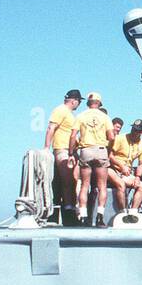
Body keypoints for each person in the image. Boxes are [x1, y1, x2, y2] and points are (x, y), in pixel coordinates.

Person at [69, 91, 115, 226]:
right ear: (99, 103)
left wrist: (71, 153)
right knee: (102, 186)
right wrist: (108, 149)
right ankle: (100, 216)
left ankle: (83, 217)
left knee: (84, 185)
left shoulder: (81, 116)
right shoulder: (105, 117)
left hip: (86, 151)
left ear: (88, 103)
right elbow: (112, 137)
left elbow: (73, 136)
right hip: (101, 150)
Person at [44, 89, 82, 224]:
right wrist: (46, 149)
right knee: (67, 182)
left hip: (70, 151)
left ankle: (67, 212)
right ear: (74, 101)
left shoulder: (69, 114)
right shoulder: (60, 110)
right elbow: (51, 128)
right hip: (63, 150)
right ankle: (68, 215)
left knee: (70, 182)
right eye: (78, 102)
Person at [108, 118, 142, 213]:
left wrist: (138, 177)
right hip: (112, 169)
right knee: (121, 184)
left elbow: (141, 164)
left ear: (141, 132)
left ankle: (133, 212)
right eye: (133, 129)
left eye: (136, 131)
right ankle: (122, 212)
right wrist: (121, 166)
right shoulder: (120, 138)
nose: (134, 132)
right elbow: (109, 154)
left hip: (126, 173)